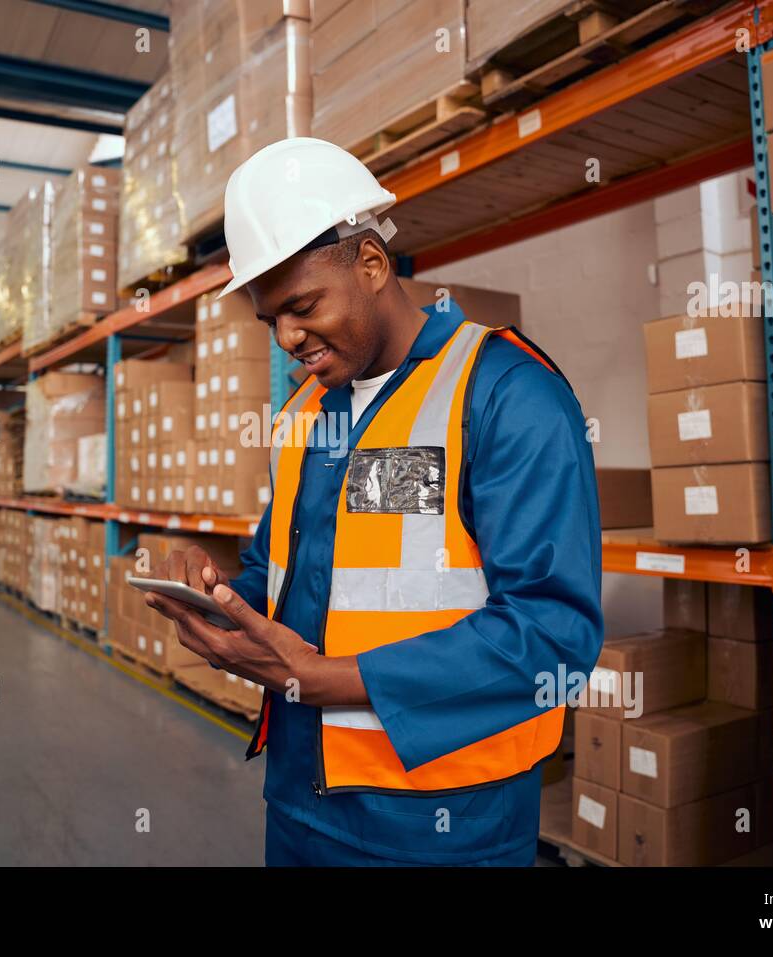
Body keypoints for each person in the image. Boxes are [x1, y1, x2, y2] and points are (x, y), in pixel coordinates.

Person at [145, 137, 603, 866]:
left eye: (301, 306)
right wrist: (217, 598)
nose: (289, 337)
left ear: (371, 263)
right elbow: (281, 574)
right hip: (299, 802)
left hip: (447, 824)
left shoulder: (506, 393)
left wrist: (329, 680)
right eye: (271, 321)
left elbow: (553, 634)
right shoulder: (302, 416)